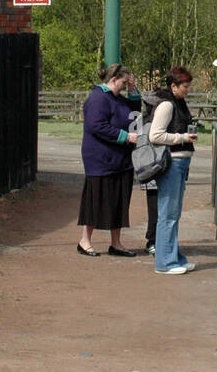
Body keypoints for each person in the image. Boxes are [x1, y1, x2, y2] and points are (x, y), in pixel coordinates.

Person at [78, 64, 141, 257]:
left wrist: (132, 90)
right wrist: (126, 137)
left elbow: (134, 112)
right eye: (123, 82)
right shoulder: (98, 99)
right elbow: (96, 125)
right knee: (96, 199)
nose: (124, 86)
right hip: (101, 158)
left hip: (120, 158)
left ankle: (116, 243)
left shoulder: (117, 98)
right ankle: (84, 241)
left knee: (120, 198)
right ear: (113, 80)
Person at [146, 67, 201, 274]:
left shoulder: (177, 102)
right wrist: (182, 138)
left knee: (173, 213)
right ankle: (165, 263)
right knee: (168, 213)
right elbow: (155, 135)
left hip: (180, 163)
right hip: (172, 162)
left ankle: (174, 257)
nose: (188, 90)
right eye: (185, 86)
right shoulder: (167, 105)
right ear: (174, 86)